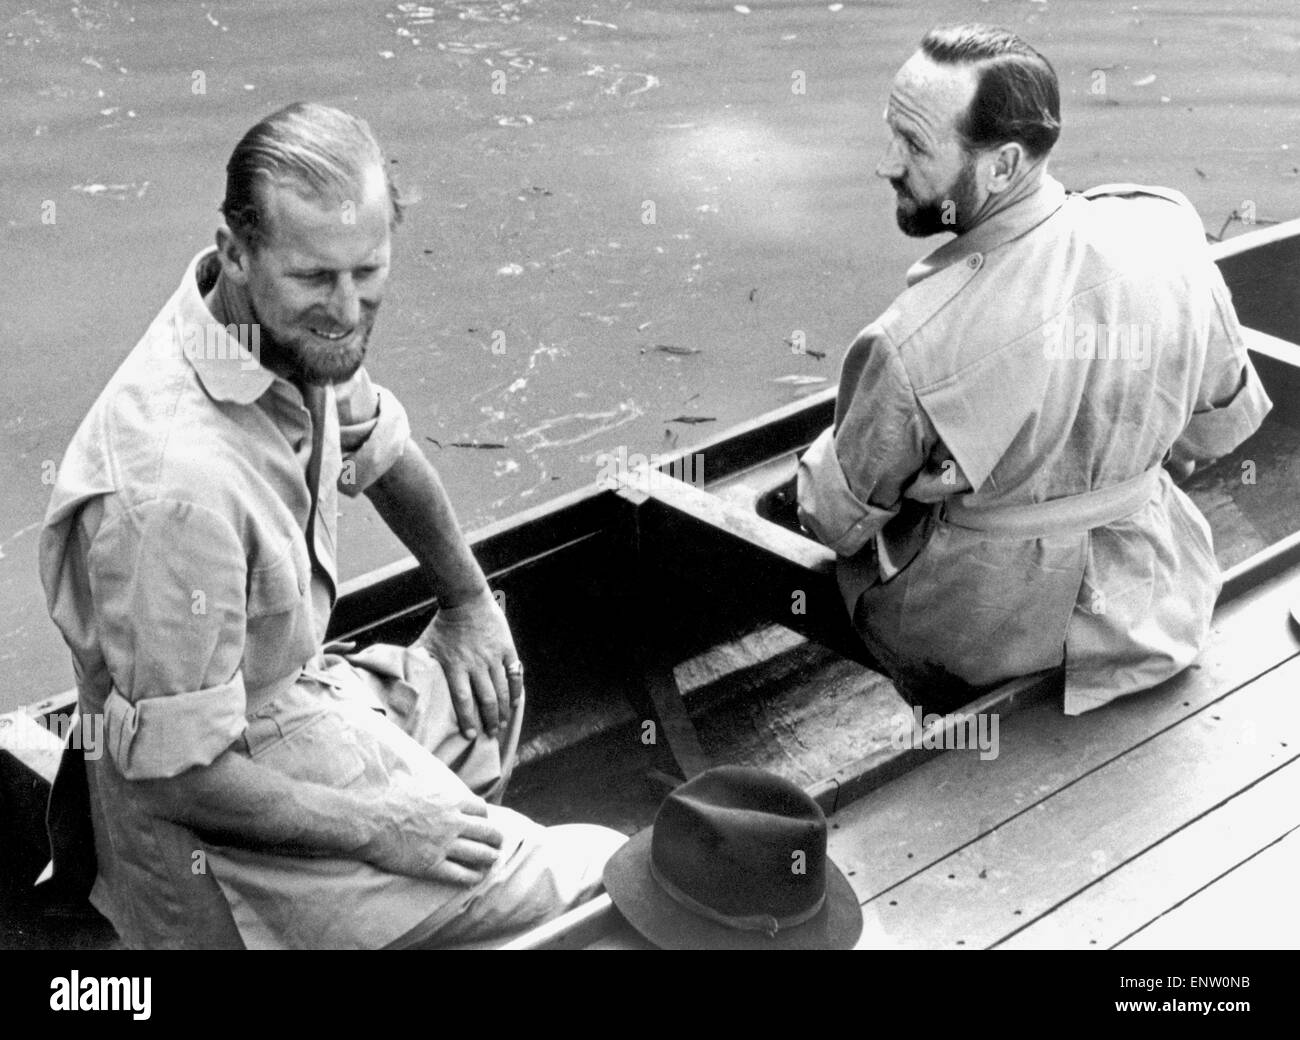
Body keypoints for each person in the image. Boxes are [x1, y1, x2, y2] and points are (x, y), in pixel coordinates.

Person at [38, 102, 624, 949]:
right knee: (598, 873)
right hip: (215, 827)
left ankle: (409, 910)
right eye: (317, 278)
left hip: (295, 703)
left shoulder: (271, 332)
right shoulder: (177, 492)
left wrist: (467, 601)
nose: (348, 309)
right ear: (236, 250)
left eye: (368, 271)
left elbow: (382, 452)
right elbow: (177, 783)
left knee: (490, 690)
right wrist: (385, 829)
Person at [796, 24, 1271, 716]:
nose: (886, 163)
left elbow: (835, 521)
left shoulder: (910, 341)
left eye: (915, 144)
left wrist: (831, 453)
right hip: (1158, 607)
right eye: (891, 132)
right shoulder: (1168, 226)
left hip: (981, 640)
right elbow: (1220, 426)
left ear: (1003, 165)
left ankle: (947, 714)